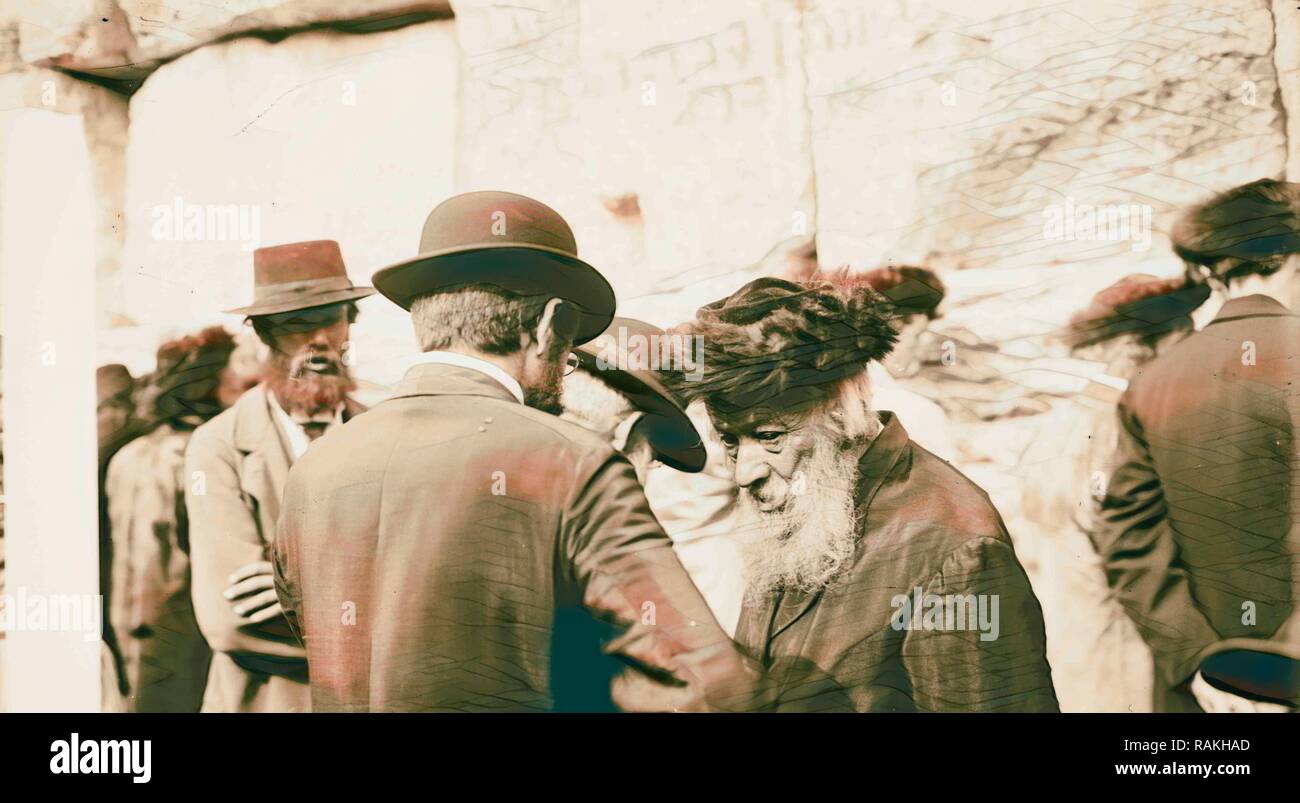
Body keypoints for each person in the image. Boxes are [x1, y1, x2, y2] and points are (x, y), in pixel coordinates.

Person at [273, 191, 765, 712]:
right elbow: (711, 685)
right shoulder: (571, 461)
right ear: (551, 325)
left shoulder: (315, 467)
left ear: (423, 320)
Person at [672, 276, 1058, 711]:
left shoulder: (955, 547)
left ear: (840, 413)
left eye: (769, 436)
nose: (744, 473)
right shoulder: (806, 502)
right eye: (729, 441)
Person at [1094, 178, 1300, 712]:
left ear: (1213, 272)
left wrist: (1199, 663)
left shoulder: (1154, 382)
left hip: (1208, 698)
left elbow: (1128, 541)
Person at [185, 240, 374, 713]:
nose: (318, 340)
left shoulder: (381, 436)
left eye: (330, 318)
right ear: (266, 336)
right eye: (295, 324)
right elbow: (230, 619)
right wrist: (378, 628)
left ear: (351, 323)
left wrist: (297, 586)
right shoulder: (218, 446)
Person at [1015, 274, 1208, 711]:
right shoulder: (1125, 432)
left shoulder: (1058, 423)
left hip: (1072, 639)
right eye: (1187, 343)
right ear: (1153, 345)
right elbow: (1131, 554)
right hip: (1127, 649)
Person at [105, 326, 253, 711]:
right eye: (233, 372)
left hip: (130, 628)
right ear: (207, 382)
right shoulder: (197, 456)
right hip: (180, 631)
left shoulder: (130, 454)